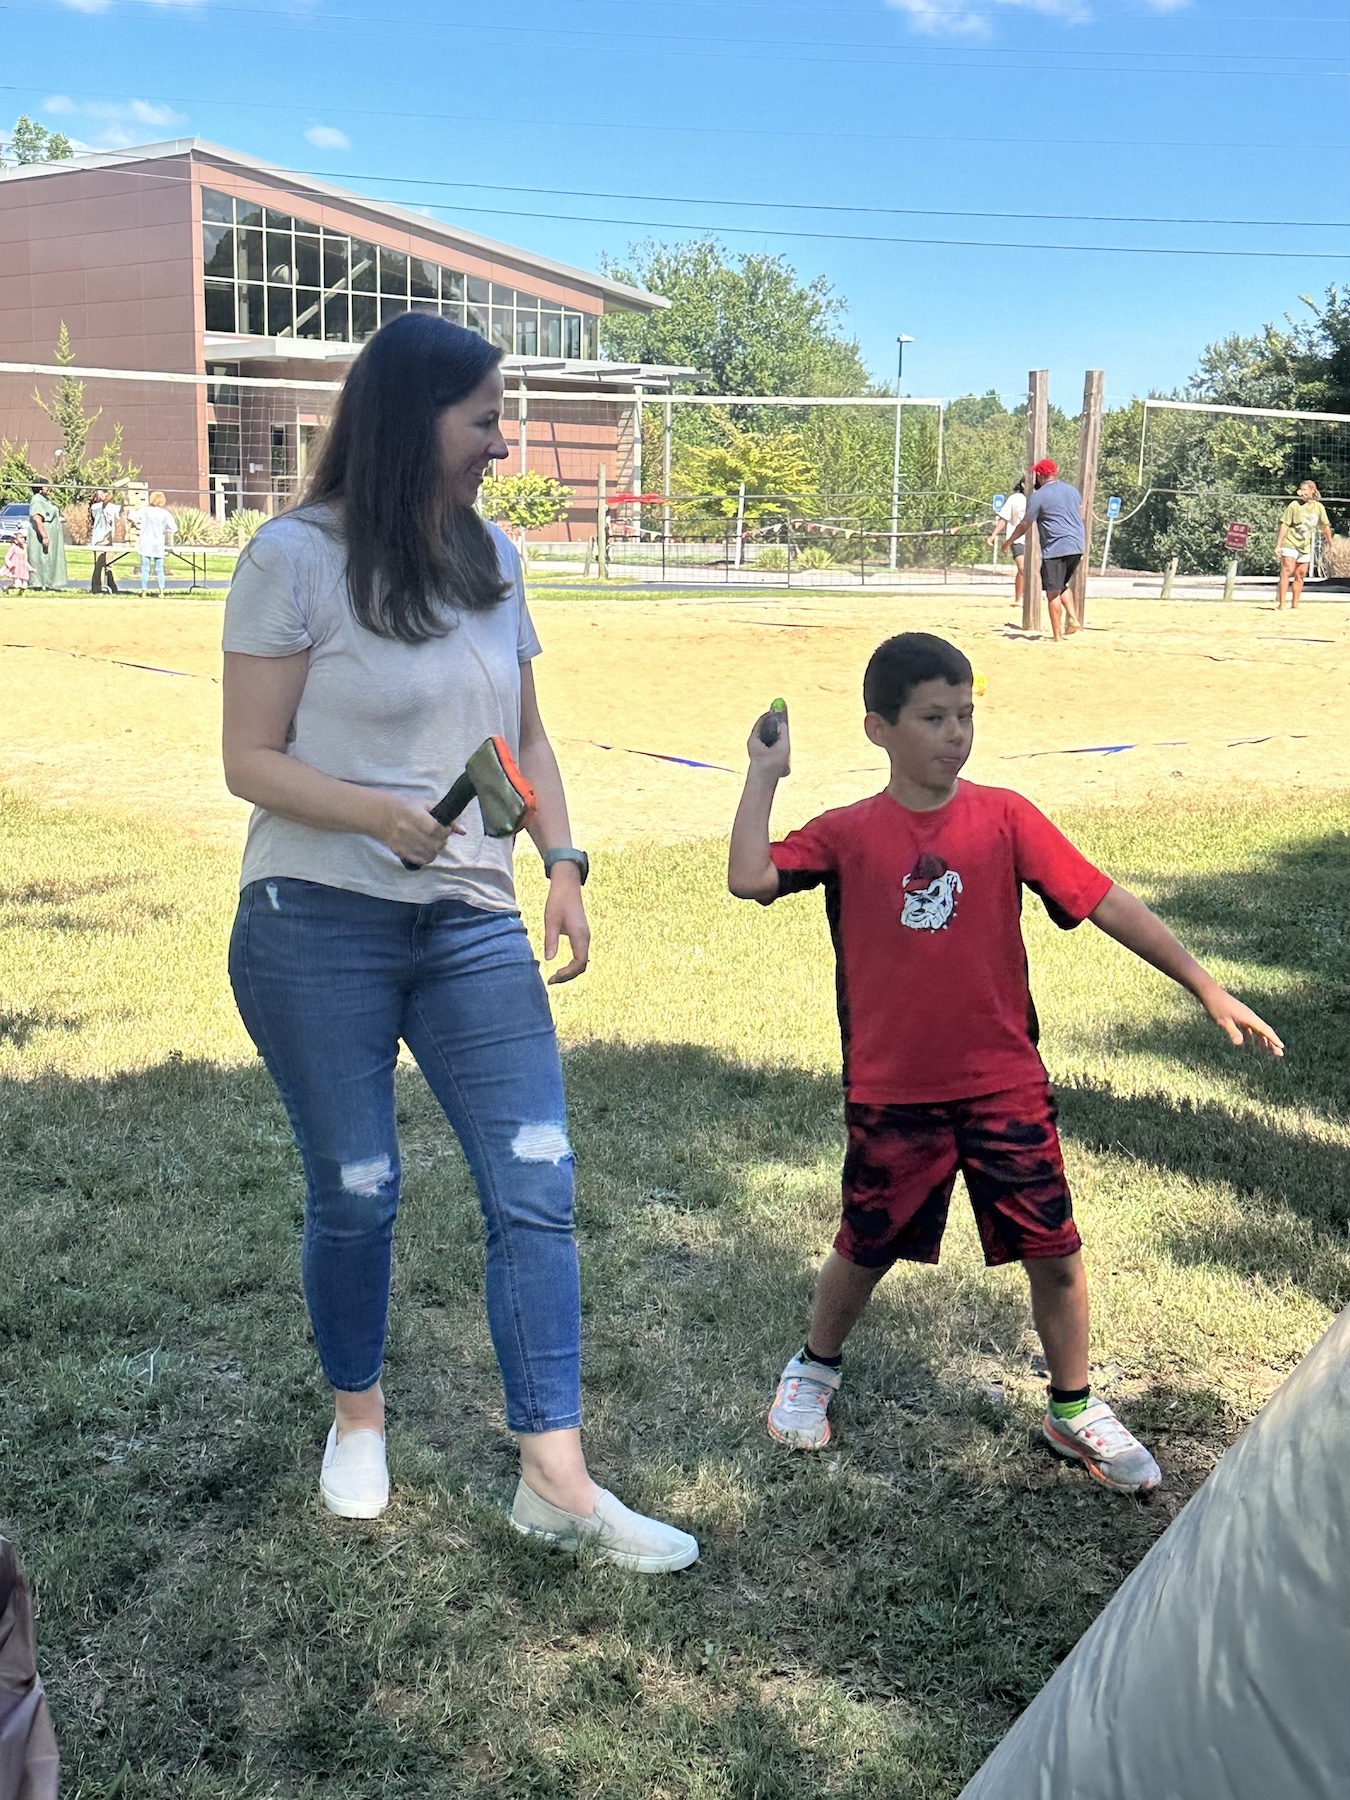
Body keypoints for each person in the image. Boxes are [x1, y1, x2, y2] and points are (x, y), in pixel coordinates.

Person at [221, 313, 698, 1572]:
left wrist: (562, 862)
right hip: (314, 915)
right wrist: (380, 813)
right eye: (485, 416)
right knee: (359, 1186)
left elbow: (521, 737)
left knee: (536, 1177)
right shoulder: (294, 558)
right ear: (409, 420)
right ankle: (357, 1418)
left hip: (472, 918)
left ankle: (557, 1478)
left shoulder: (495, 556)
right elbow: (247, 761)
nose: (505, 439)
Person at [727, 632, 1283, 1494]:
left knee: (1054, 1250)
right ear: (879, 728)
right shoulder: (848, 834)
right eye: (933, 718)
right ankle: (814, 1367)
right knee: (864, 1245)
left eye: (966, 716)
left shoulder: (1006, 817)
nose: (955, 735)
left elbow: (1106, 902)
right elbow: (748, 877)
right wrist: (765, 774)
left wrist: (1204, 985)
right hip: (892, 1092)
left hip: (1004, 1086)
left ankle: (1073, 1409)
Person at [1005, 458, 1084, 641]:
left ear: (1040, 476)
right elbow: (1081, 513)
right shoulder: (1072, 491)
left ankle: (1057, 635)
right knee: (1061, 584)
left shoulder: (1039, 496)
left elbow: (1025, 523)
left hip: (1056, 547)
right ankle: (1072, 617)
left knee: (1052, 591)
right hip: (1076, 545)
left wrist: (1009, 541)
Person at [1275, 479, 1333, 610]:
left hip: (1305, 545)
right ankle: (1282, 604)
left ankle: (1295, 605)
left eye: (1305, 490)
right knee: (1287, 570)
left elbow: (1325, 526)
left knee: (1300, 574)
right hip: (1290, 542)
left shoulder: (1319, 508)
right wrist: (1278, 545)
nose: (1302, 493)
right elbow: (1284, 524)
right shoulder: (1294, 505)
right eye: (1301, 490)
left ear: (1312, 490)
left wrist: (1331, 544)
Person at [988, 479, 1026, 607]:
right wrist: (994, 535)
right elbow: (1004, 518)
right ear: (1023, 484)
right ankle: (1018, 599)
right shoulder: (1015, 499)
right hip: (1016, 538)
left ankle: (1027, 596)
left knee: (1030, 570)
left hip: (1034, 540)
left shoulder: (1038, 497)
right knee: (1022, 568)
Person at [131, 491, 176, 594]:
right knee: (159, 569)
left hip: (145, 543)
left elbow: (132, 517)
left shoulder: (145, 511)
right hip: (158, 544)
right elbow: (173, 528)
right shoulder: (164, 513)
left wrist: (136, 524)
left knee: (145, 568)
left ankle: (144, 590)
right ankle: (161, 590)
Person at [25, 485, 66, 592]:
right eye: (46, 486)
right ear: (40, 488)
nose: (49, 488)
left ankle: (49, 583)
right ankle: (38, 584)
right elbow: (37, 518)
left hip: (51, 533)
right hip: (42, 534)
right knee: (41, 559)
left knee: (50, 558)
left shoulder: (44, 500)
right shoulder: (37, 500)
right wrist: (44, 536)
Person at [89, 487, 122, 594]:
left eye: (103, 494)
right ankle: (96, 587)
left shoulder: (112, 507)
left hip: (109, 540)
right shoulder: (95, 507)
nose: (100, 496)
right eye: (99, 494)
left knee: (109, 565)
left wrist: (125, 500)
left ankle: (111, 585)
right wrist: (113, 491)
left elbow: (121, 511)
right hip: (98, 540)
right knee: (98, 565)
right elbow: (104, 503)